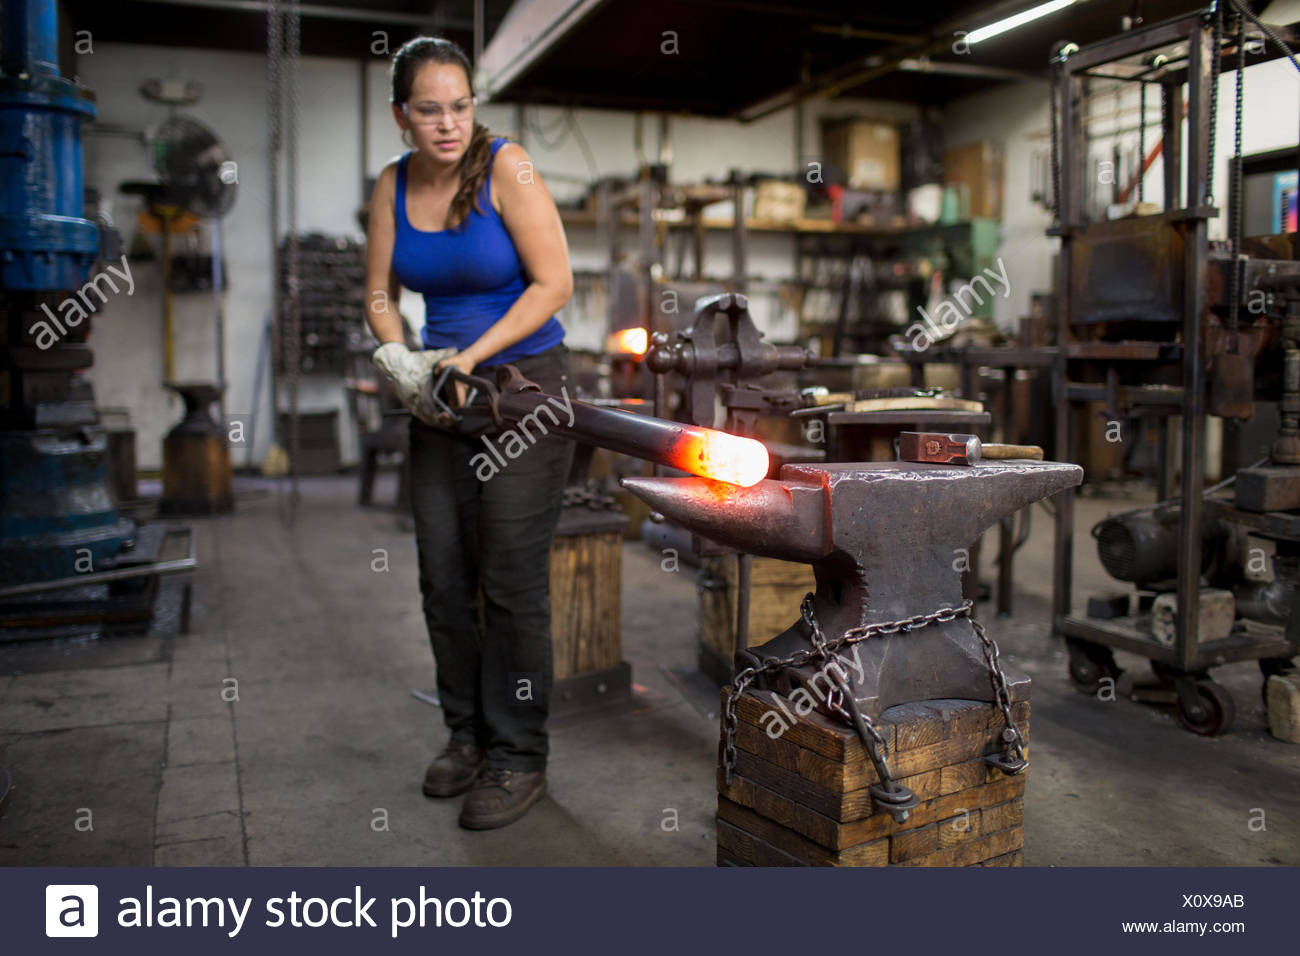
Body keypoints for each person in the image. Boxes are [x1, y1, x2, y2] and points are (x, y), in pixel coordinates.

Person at [364, 36, 575, 831]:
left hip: (522, 392)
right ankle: (469, 736)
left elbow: (556, 284)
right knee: (443, 578)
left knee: (511, 582)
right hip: (441, 398)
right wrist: (397, 355)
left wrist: (468, 358)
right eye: (429, 109)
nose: (448, 124)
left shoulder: (507, 168)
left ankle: (521, 756)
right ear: (402, 115)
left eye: (459, 105)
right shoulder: (391, 185)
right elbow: (379, 292)